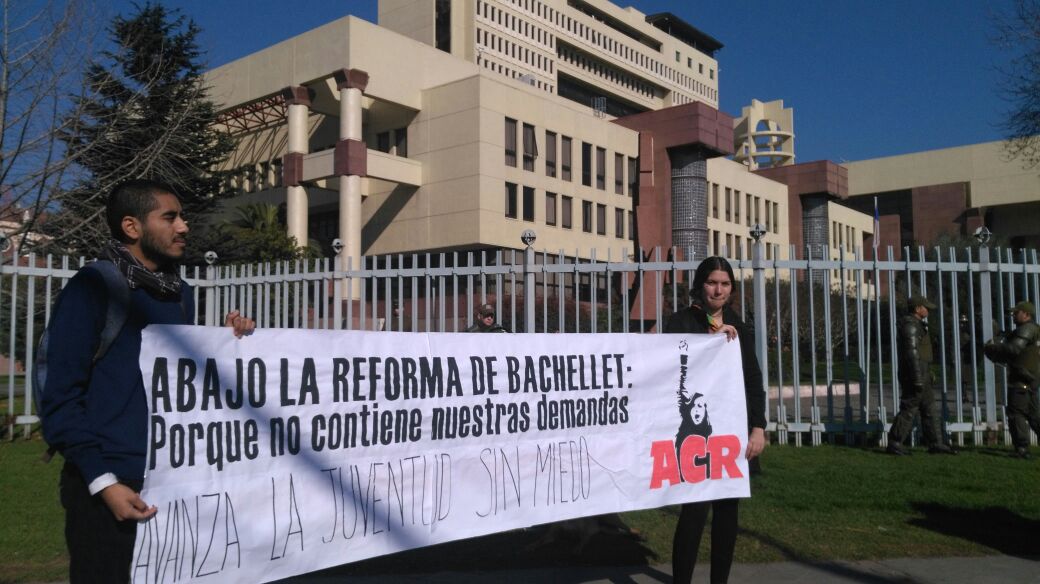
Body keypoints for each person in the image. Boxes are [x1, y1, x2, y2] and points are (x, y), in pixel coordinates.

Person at [36, 179, 256, 583]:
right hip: (108, 487)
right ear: (132, 227)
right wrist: (104, 483)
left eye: (182, 216)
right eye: (170, 217)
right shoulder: (94, 287)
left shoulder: (180, 294)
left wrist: (227, 342)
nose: (184, 226)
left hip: (171, 481)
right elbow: (60, 398)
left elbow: (177, 382)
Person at [665, 256, 766, 584]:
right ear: (700, 284)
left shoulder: (741, 327)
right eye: (712, 282)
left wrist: (758, 427)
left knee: (727, 512)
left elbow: (752, 378)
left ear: (732, 288)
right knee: (694, 513)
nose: (718, 290)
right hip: (695, 434)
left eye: (724, 284)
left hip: (731, 432)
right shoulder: (680, 322)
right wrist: (712, 339)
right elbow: (671, 369)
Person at [887, 295, 956, 455]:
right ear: (917, 308)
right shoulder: (911, 326)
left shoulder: (916, 325)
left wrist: (926, 373)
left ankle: (936, 443)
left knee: (929, 409)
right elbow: (912, 354)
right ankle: (895, 442)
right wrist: (917, 377)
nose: (928, 310)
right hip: (914, 374)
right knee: (909, 408)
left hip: (921, 372)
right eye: (926, 307)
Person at [984, 300, 1040, 459]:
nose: (1014, 315)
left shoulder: (1027, 329)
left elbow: (1013, 349)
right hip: (1031, 377)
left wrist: (992, 348)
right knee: (1033, 415)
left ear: (1027, 314)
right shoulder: (1033, 329)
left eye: (1017, 312)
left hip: (1022, 377)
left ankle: (1022, 448)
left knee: (1016, 414)